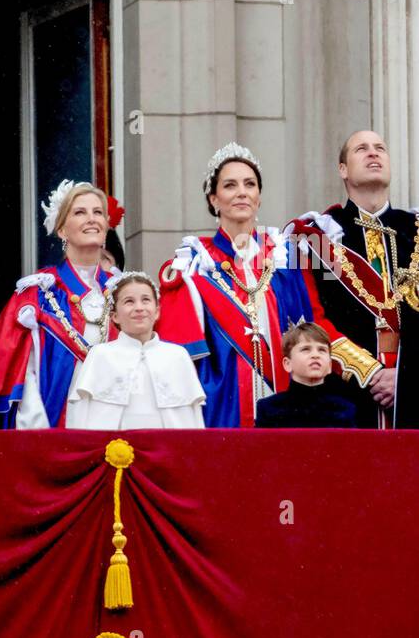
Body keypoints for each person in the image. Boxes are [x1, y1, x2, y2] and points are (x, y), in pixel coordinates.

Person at [157, 142, 382, 428]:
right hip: (223, 403)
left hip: (286, 402)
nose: (241, 192)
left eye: (249, 184)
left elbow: (308, 327)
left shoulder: (285, 257)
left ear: (259, 197)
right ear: (213, 199)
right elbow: (180, 357)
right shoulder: (193, 263)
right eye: (230, 185)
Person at [283, 130, 419, 429]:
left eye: (380, 147)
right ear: (342, 169)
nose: (373, 153)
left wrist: (406, 377)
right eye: (361, 149)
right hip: (345, 392)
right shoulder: (316, 235)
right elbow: (308, 317)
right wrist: (369, 372)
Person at [0, 182, 123, 428]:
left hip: (116, 423)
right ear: (61, 230)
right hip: (55, 428)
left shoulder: (124, 291)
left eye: (97, 212)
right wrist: (40, 437)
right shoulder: (37, 295)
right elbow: (23, 377)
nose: (91, 219)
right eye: (80, 212)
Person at [68, 271, 206, 429]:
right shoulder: (100, 355)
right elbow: (81, 418)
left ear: (157, 311)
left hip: (168, 449)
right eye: (129, 302)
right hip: (114, 451)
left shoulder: (178, 356)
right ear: (115, 316)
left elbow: (193, 422)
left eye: (146, 300)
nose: (139, 308)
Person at [255, 322, 359, 428]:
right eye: (305, 349)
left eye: (322, 350)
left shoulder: (345, 409)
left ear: (329, 366)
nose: (315, 355)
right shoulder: (269, 408)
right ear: (287, 364)